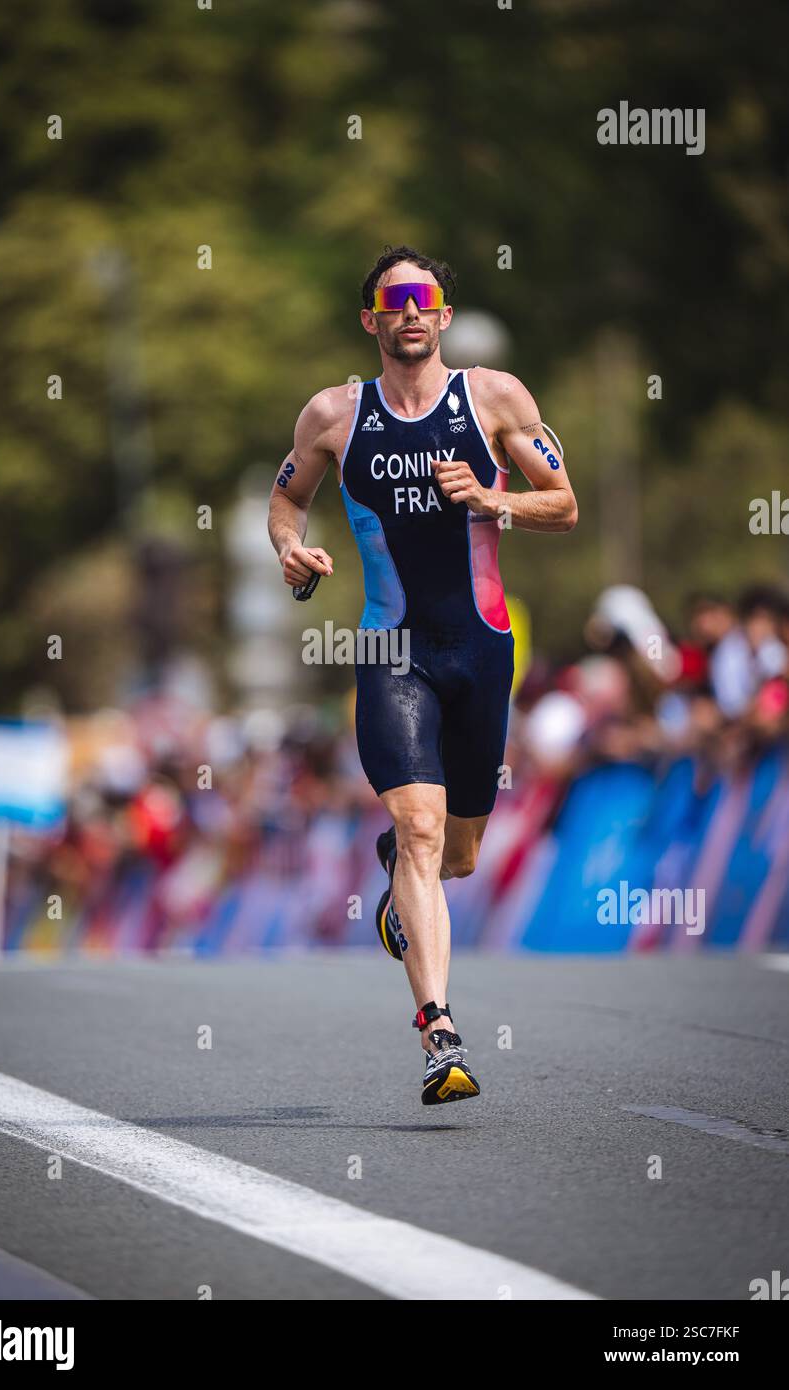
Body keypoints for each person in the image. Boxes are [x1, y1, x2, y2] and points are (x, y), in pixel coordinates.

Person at [268, 246, 577, 1104]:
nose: (410, 311)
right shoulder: (334, 415)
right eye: (392, 300)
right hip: (389, 648)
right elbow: (287, 497)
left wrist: (495, 499)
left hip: (480, 648)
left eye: (425, 298)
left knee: (460, 855)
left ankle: (402, 878)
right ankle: (440, 1031)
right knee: (422, 830)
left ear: (443, 315)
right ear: (371, 320)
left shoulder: (495, 398)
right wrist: (292, 552)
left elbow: (565, 501)